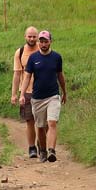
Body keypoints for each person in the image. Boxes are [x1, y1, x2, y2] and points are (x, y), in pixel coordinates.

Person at [24, 30, 67, 162]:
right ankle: (42, 150)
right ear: (39, 42)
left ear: (50, 42)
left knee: (52, 122)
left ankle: (51, 150)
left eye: (45, 41)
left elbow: (60, 75)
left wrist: (64, 91)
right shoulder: (33, 58)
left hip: (53, 96)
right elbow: (27, 77)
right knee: (41, 127)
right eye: (41, 41)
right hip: (37, 98)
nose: (43, 44)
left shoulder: (56, 57)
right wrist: (22, 94)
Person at [10, 26, 40, 158]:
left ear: (37, 37)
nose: (32, 39)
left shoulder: (43, 49)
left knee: (43, 122)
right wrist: (14, 94)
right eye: (29, 36)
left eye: (34, 36)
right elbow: (17, 75)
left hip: (42, 91)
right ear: (25, 37)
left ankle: (42, 144)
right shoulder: (20, 52)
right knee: (30, 121)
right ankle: (32, 147)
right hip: (26, 91)